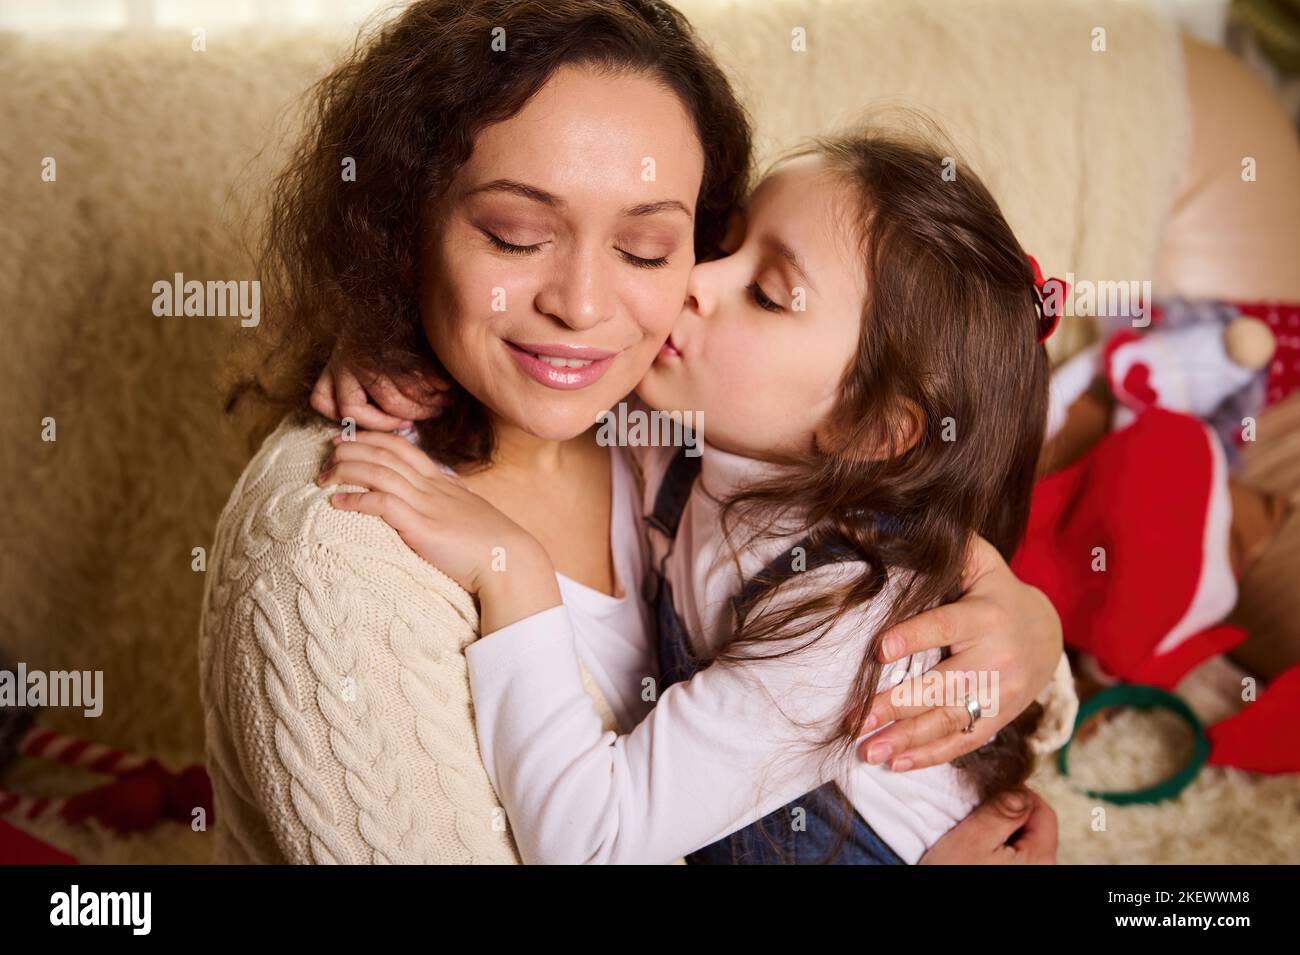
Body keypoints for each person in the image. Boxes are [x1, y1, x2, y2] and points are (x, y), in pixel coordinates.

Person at [202, 0, 1062, 864]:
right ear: (399, 225)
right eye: (515, 235)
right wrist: (382, 333)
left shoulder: (665, 428)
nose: (582, 305)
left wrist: (1028, 637)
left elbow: (893, 656)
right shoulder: (335, 556)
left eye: (652, 248)